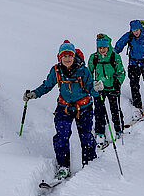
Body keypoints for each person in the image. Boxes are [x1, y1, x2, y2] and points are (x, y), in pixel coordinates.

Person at [25, 41, 97, 178]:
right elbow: (47, 86)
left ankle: (90, 164)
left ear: (74, 56)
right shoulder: (56, 71)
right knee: (61, 136)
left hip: (84, 107)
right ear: (59, 57)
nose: (68, 59)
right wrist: (34, 94)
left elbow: (90, 88)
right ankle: (63, 166)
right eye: (64, 56)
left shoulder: (83, 70)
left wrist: (97, 89)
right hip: (64, 108)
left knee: (86, 136)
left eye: (70, 55)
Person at [114, 19, 144, 111]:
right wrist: (112, 55)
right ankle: (137, 106)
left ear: (140, 29)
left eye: (137, 30)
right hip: (133, 64)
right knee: (134, 85)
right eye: (134, 30)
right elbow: (119, 46)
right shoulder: (129, 36)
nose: (135, 32)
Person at [88, 34, 126, 141]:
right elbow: (89, 73)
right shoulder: (94, 58)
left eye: (104, 47)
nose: (102, 50)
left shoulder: (115, 57)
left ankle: (119, 129)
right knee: (99, 111)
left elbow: (121, 72)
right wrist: (93, 84)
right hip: (99, 89)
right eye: (100, 48)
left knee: (115, 110)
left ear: (108, 46)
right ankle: (99, 132)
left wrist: (118, 83)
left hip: (113, 88)